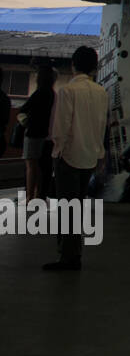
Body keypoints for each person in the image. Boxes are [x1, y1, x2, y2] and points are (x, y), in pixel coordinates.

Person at [45, 46, 109, 271]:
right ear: (94, 67)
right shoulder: (101, 92)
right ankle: (75, 253)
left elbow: (61, 127)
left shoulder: (68, 91)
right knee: (78, 207)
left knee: (66, 207)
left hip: (69, 157)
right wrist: (99, 152)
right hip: (91, 156)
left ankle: (68, 257)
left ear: (73, 64)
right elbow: (102, 125)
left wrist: (57, 151)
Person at [18, 65, 56, 200]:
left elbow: (24, 108)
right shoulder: (52, 94)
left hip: (33, 133)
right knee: (40, 168)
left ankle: (28, 196)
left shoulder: (39, 92)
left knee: (30, 166)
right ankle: (37, 195)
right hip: (45, 134)